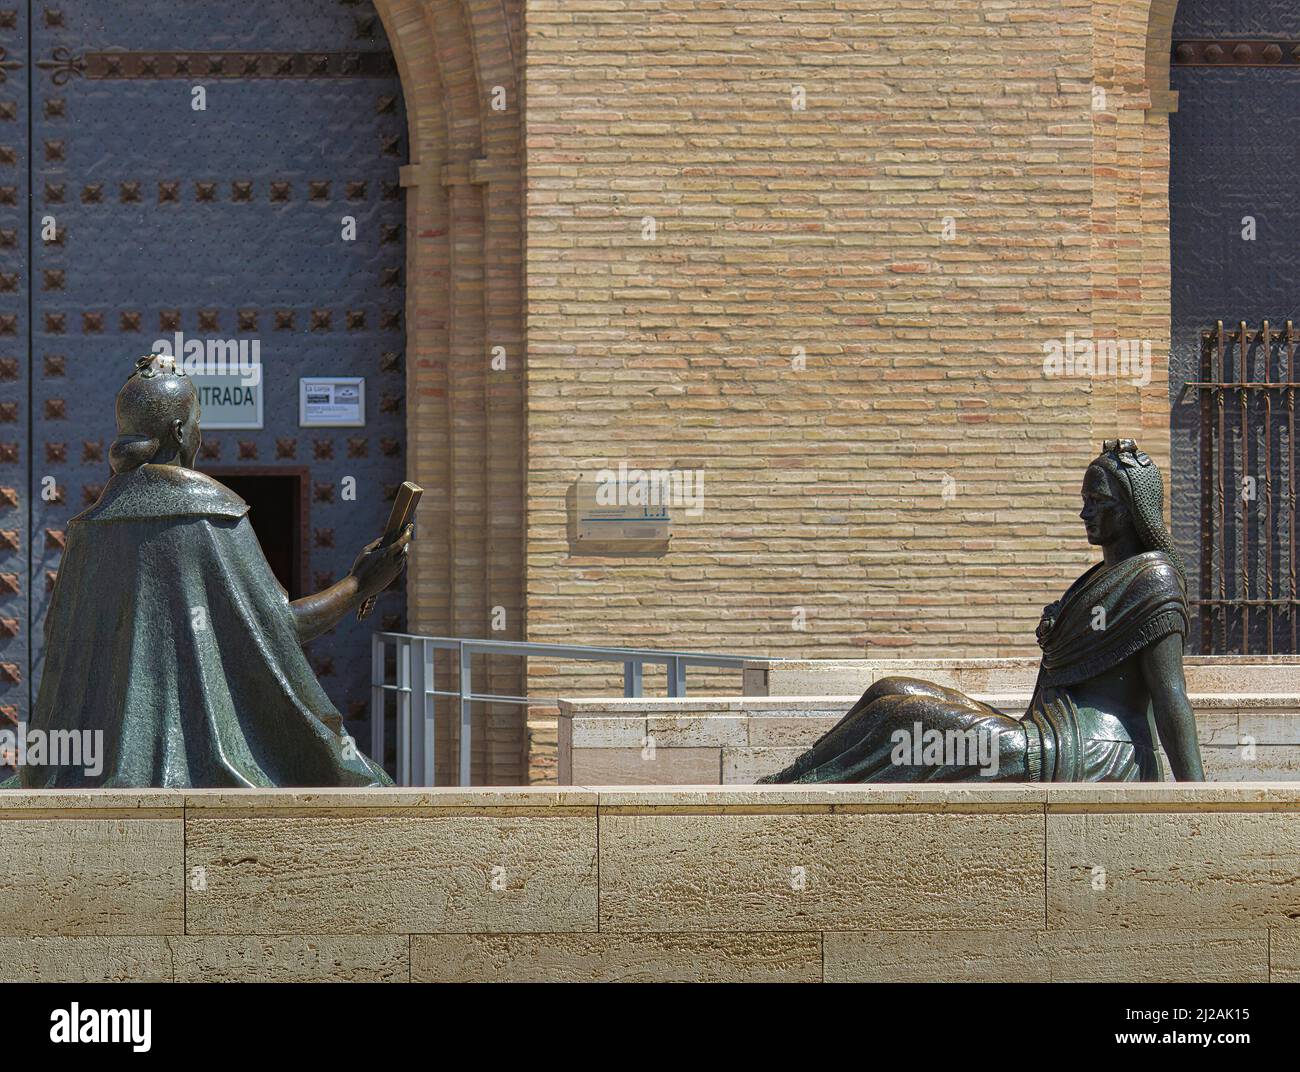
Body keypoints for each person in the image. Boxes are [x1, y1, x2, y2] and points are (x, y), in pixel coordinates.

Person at [8, 354, 406, 788]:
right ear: (180, 431)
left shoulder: (88, 532)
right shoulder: (212, 518)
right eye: (197, 421)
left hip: (85, 774)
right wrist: (360, 582)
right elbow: (279, 630)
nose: (201, 433)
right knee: (371, 785)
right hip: (206, 773)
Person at [760, 439, 1205, 784]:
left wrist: (1198, 800)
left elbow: (1171, 697)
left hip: (1091, 750)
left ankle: (792, 791)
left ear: (1132, 511)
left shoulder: (1153, 579)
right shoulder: (1100, 576)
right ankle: (793, 781)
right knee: (888, 689)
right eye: (1085, 499)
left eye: (1099, 503)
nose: (1084, 512)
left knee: (902, 719)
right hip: (1044, 729)